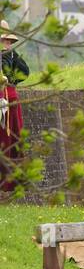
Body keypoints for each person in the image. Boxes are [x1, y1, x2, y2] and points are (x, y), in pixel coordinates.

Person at [1, 20, 29, 193]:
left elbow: (25, 72)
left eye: (9, 41)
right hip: (6, 97)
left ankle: (10, 183)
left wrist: (12, 81)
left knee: (12, 138)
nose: (8, 43)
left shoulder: (11, 55)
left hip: (8, 97)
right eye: (6, 40)